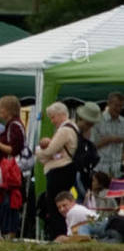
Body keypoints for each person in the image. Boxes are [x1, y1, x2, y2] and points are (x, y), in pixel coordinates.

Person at [35, 101, 79, 239]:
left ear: (61, 114)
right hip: (66, 170)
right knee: (62, 205)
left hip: (59, 172)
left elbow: (48, 151)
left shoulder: (64, 130)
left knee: (56, 207)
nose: (52, 121)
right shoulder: (74, 128)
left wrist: (38, 150)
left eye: (53, 117)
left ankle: (58, 236)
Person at [94, 92, 124, 176]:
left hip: (117, 170)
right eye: (116, 105)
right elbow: (91, 146)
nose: (119, 108)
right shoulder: (97, 121)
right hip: (100, 169)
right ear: (109, 104)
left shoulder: (123, 122)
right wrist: (109, 140)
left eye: (121, 106)